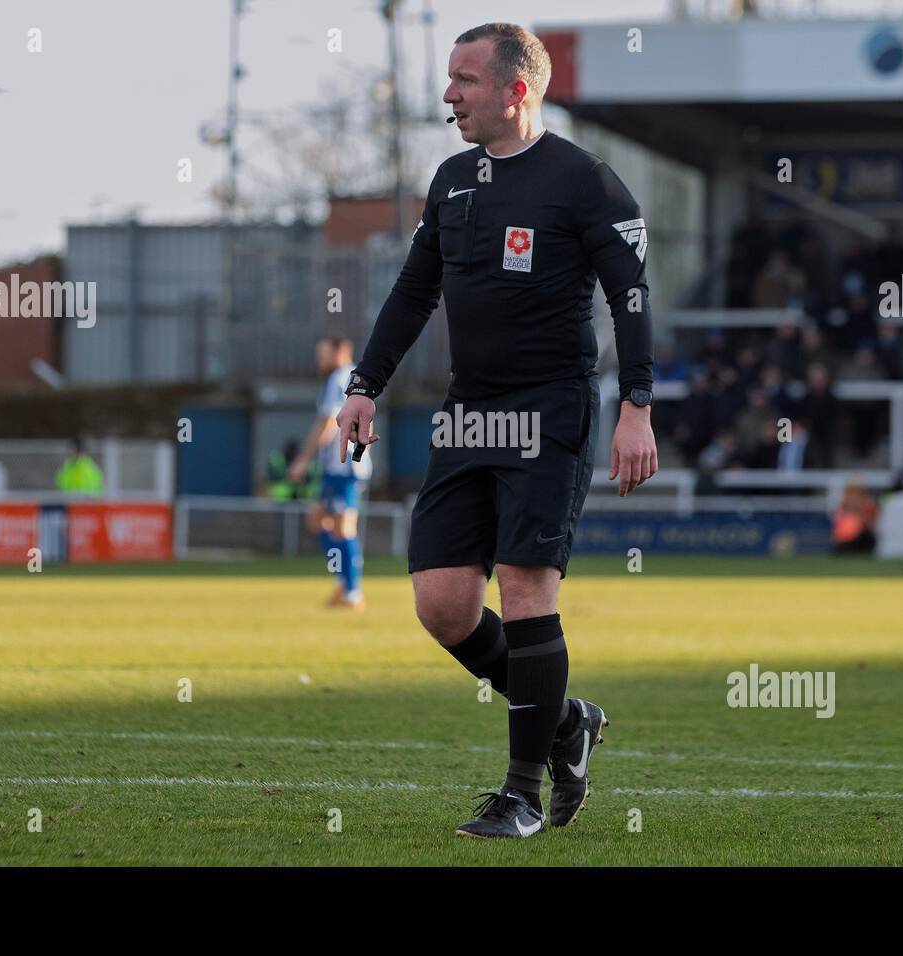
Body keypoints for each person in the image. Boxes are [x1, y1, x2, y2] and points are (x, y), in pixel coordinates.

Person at [334, 23, 656, 839]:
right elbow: (413, 292)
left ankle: (521, 792)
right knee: (442, 605)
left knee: (522, 588)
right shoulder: (450, 182)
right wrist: (365, 385)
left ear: (518, 89)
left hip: (550, 406)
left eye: (465, 80)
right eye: (449, 80)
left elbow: (632, 299)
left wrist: (637, 406)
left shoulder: (586, 183)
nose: (449, 95)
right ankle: (567, 723)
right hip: (470, 411)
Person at [289, 338, 372, 609]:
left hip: (345, 464)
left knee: (343, 526)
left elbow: (328, 422)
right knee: (317, 520)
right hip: (336, 466)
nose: (319, 359)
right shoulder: (351, 376)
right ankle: (344, 584)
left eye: (322, 353)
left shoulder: (340, 378)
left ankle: (353, 592)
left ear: (339, 352)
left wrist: (303, 459)